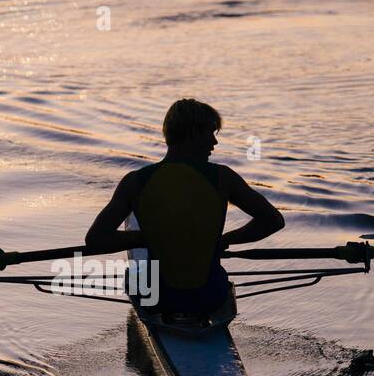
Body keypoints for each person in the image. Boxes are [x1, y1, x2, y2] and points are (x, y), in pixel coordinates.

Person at [84, 99, 284, 317]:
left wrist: (147, 238)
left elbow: (97, 239)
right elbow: (273, 220)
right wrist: (225, 240)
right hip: (210, 298)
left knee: (133, 275)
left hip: (158, 299)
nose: (214, 143)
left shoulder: (135, 182)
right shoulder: (224, 178)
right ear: (193, 133)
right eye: (210, 133)